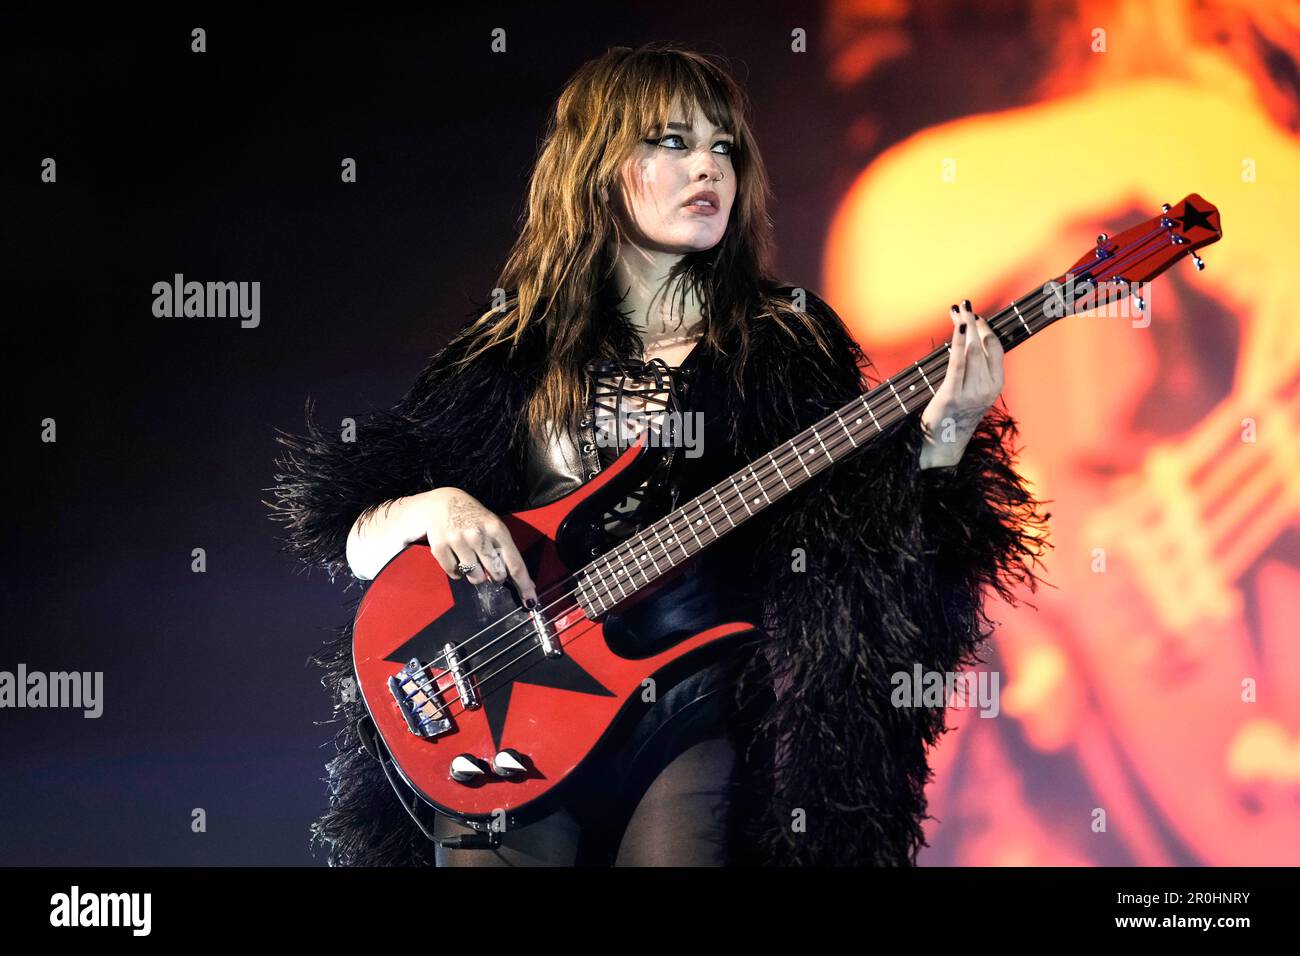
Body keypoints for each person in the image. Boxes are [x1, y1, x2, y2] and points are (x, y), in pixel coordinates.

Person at [266, 42, 1050, 866]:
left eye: (723, 147)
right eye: (672, 143)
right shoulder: (506, 352)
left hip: (694, 708)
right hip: (504, 708)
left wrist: (950, 429)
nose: (707, 167)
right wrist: (435, 509)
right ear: (598, 166)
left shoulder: (780, 339)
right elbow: (355, 538)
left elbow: (869, 544)